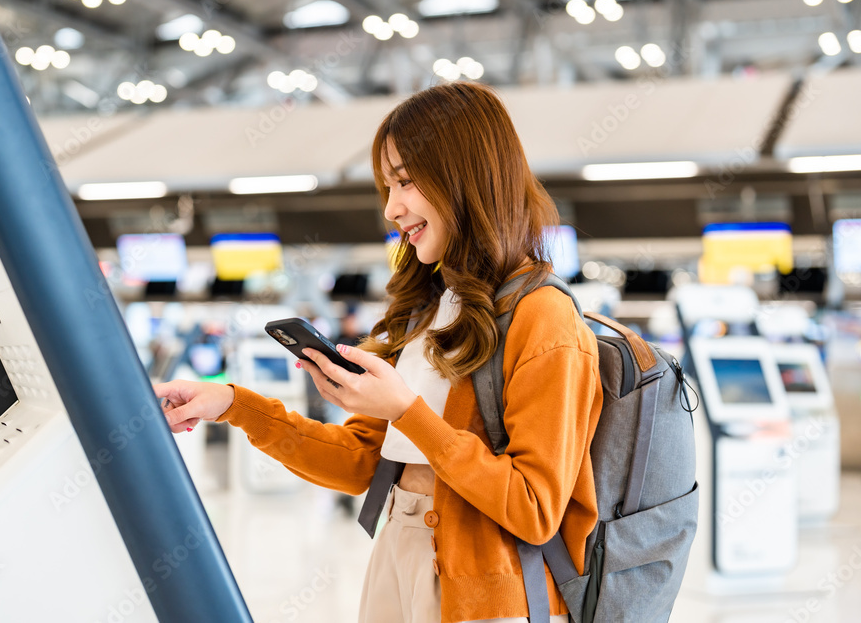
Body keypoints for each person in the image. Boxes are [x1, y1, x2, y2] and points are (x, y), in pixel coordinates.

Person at [158, 81, 603, 623]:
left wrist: (405, 411)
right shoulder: (430, 311)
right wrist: (232, 404)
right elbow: (360, 464)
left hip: (489, 593)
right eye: (387, 186)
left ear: (467, 177)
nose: (392, 208)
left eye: (407, 182)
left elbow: (533, 509)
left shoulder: (544, 317)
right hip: (399, 554)